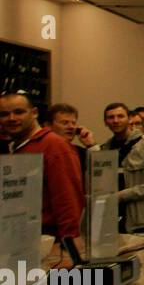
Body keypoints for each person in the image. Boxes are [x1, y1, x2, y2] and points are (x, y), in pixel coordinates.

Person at [0, 92, 85, 255]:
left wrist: (71, 246)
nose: (11, 118)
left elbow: (68, 199)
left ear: (34, 113)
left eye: (19, 112)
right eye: (4, 114)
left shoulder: (54, 145)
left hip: (50, 246)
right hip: (20, 243)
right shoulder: (15, 147)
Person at [91, 102, 144, 233]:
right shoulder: (106, 148)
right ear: (105, 122)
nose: (115, 121)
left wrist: (121, 196)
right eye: (111, 117)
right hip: (112, 220)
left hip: (140, 221)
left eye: (120, 116)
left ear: (129, 119)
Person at [47, 102, 95, 173]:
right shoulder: (42, 151)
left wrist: (91, 144)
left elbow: (103, 171)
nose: (71, 127)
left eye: (74, 123)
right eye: (64, 123)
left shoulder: (81, 153)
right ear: (48, 126)